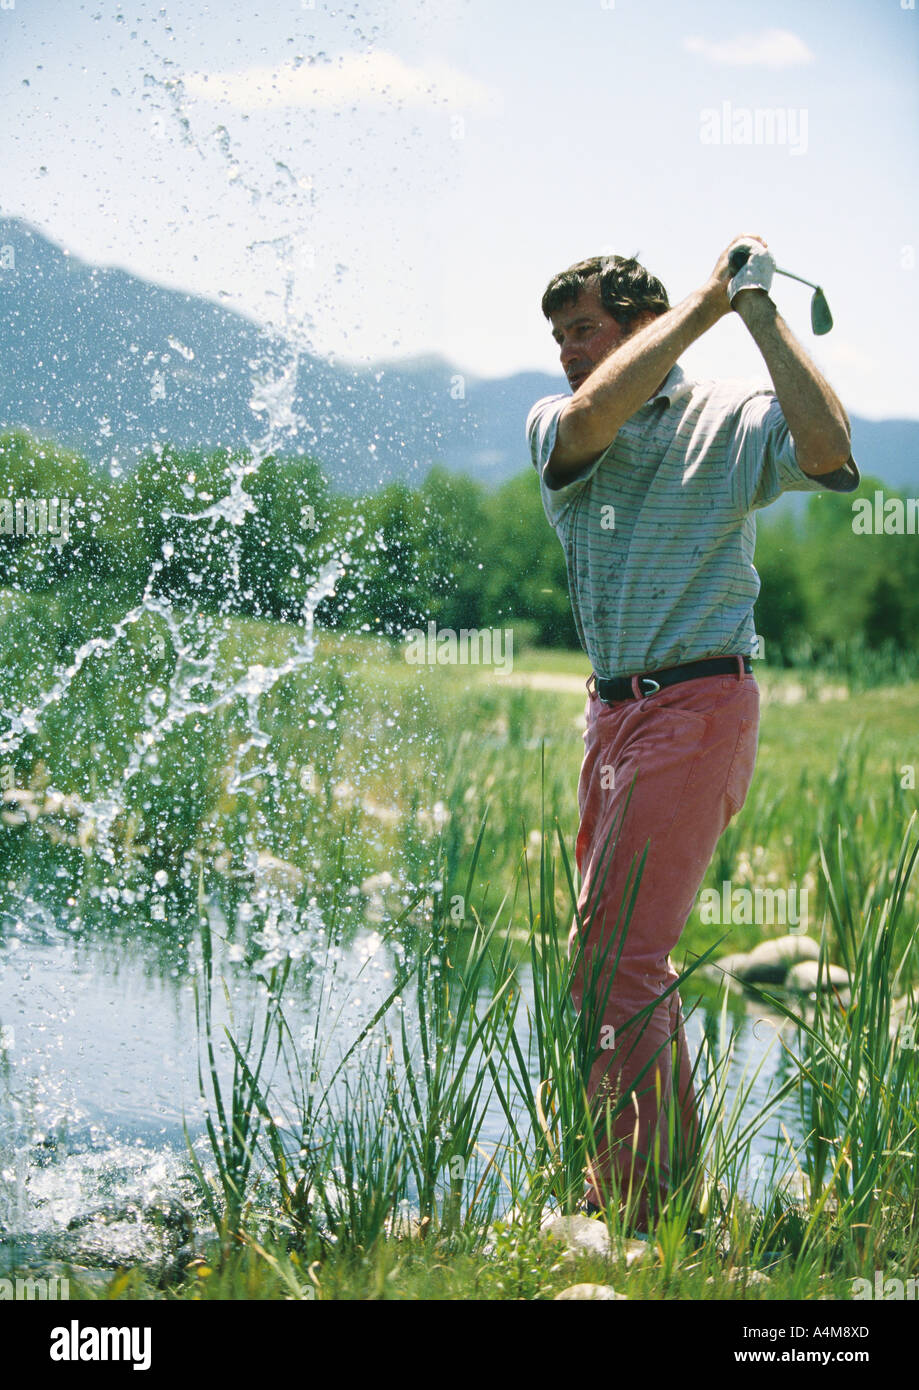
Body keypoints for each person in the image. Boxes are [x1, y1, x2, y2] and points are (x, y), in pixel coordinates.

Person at [526, 236, 859, 1230]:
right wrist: (711, 301)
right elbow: (590, 416)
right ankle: (635, 1179)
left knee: (624, 953)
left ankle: (646, 1202)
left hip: (699, 703)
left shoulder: (730, 411)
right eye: (558, 335)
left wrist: (755, 311)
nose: (566, 351)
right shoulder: (558, 421)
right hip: (610, 713)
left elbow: (828, 450)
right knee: (603, 952)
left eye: (583, 329)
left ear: (638, 324)